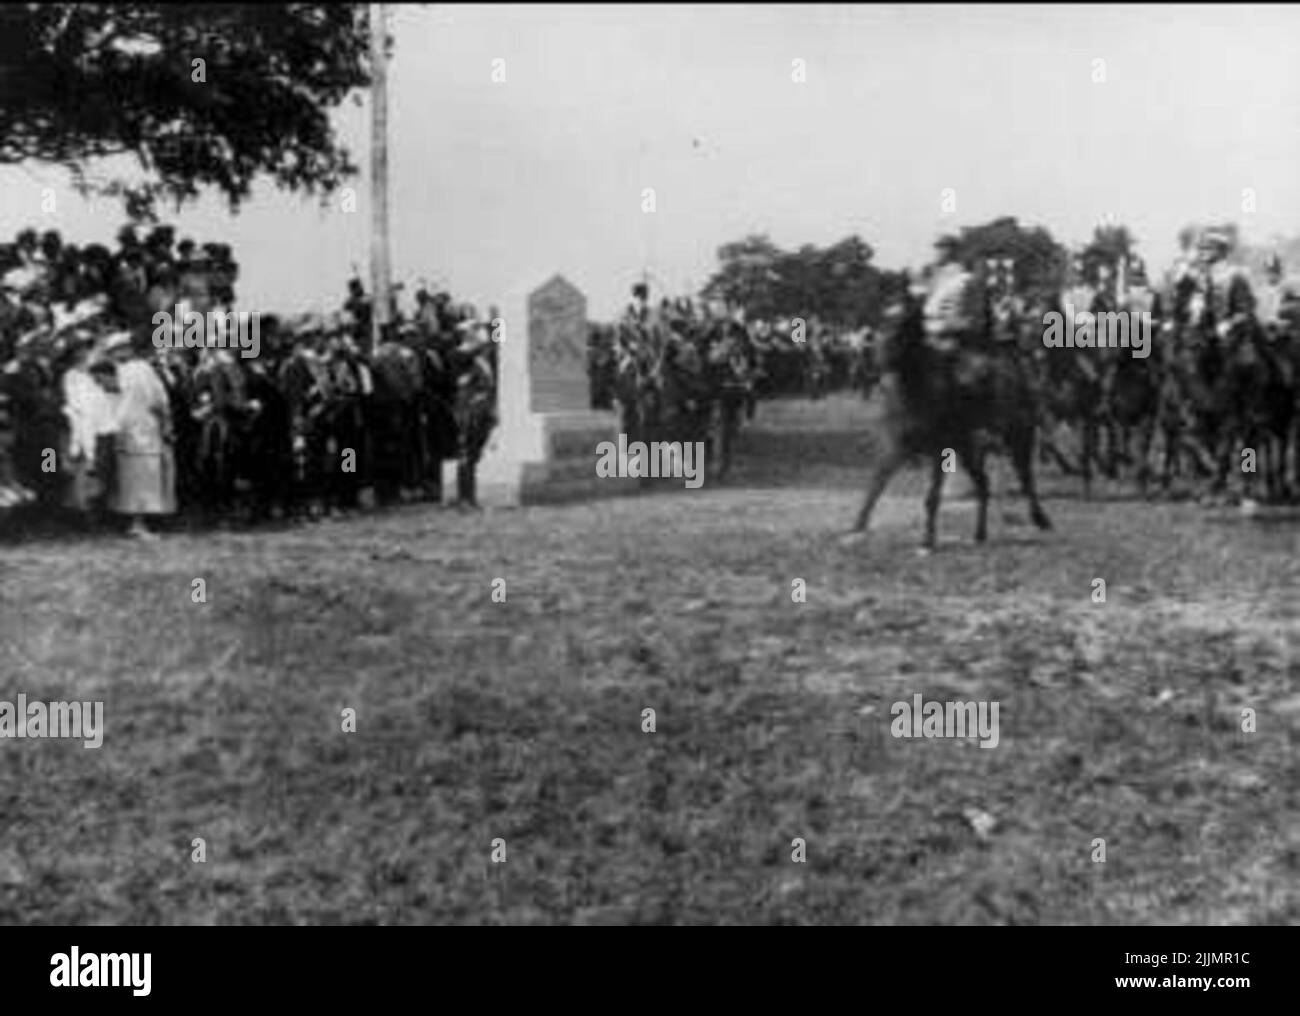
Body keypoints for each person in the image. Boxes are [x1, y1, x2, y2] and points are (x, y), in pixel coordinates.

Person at [102, 332, 176, 538]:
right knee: (134, 478)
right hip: (129, 431)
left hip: (141, 430)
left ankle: (140, 522)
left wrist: (165, 423)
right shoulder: (121, 371)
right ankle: (136, 524)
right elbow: (159, 401)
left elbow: (159, 400)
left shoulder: (141, 369)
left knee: (142, 476)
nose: (121, 352)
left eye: (123, 347)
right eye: (117, 349)